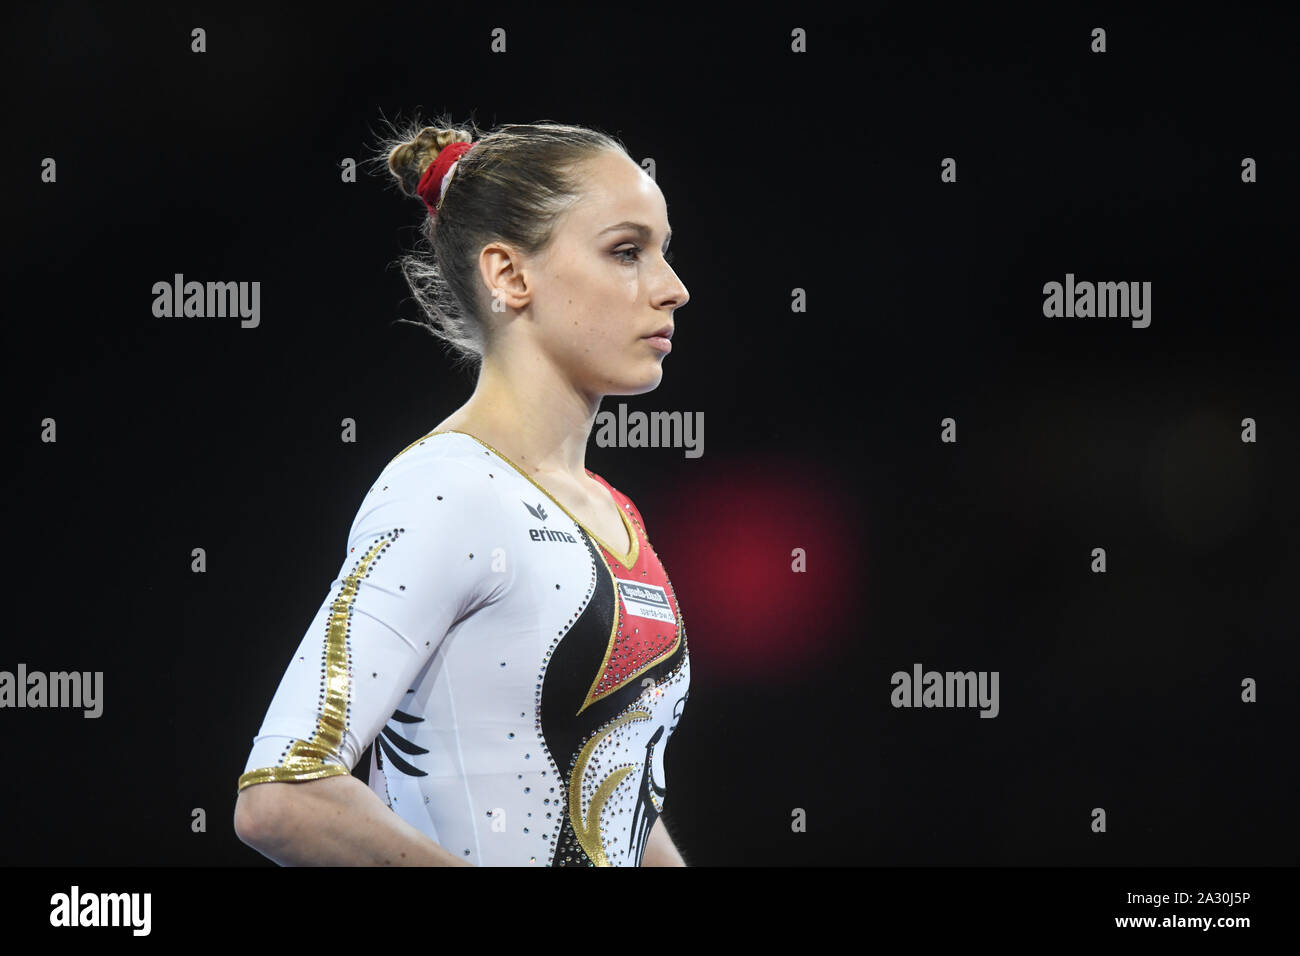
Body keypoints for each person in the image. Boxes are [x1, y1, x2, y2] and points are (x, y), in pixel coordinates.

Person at [232, 117, 692, 867]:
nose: (672, 289)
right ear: (510, 275)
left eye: (664, 252)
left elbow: (627, 802)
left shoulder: (613, 514)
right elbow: (285, 793)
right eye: (626, 252)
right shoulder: (448, 491)